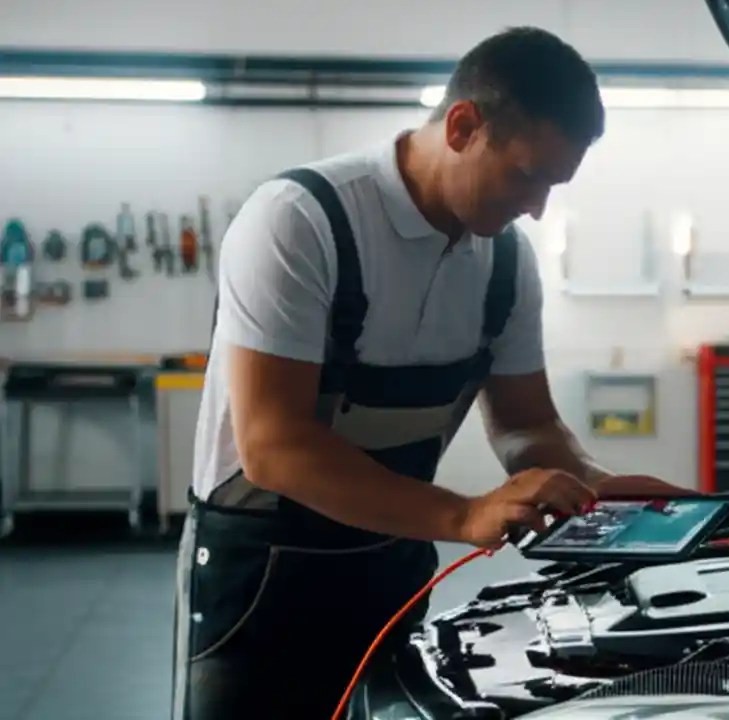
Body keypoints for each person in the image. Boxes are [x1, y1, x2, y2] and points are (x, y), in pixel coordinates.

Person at [172, 26, 690, 719]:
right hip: (258, 578)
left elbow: (526, 423)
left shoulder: (506, 264)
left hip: (390, 566)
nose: (535, 207)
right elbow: (273, 447)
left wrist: (593, 489)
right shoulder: (302, 222)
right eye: (526, 175)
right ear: (463, 125)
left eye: (553, 186)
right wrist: (462, 514)